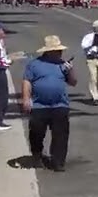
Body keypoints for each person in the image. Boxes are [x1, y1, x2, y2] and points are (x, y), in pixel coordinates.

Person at [22, 35, 77, 171]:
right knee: (36, 133)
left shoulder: (63, 65)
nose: (60, 53)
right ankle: (37, 155)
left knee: (61, 135)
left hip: (60, 105)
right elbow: (27, 82)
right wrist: (26, 99)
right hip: (39, 105)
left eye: (60, 50)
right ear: (48, 51)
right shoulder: (34, 65)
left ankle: (58, 161)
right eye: (57, 50)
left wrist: (70, 70)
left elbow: (73, 82)